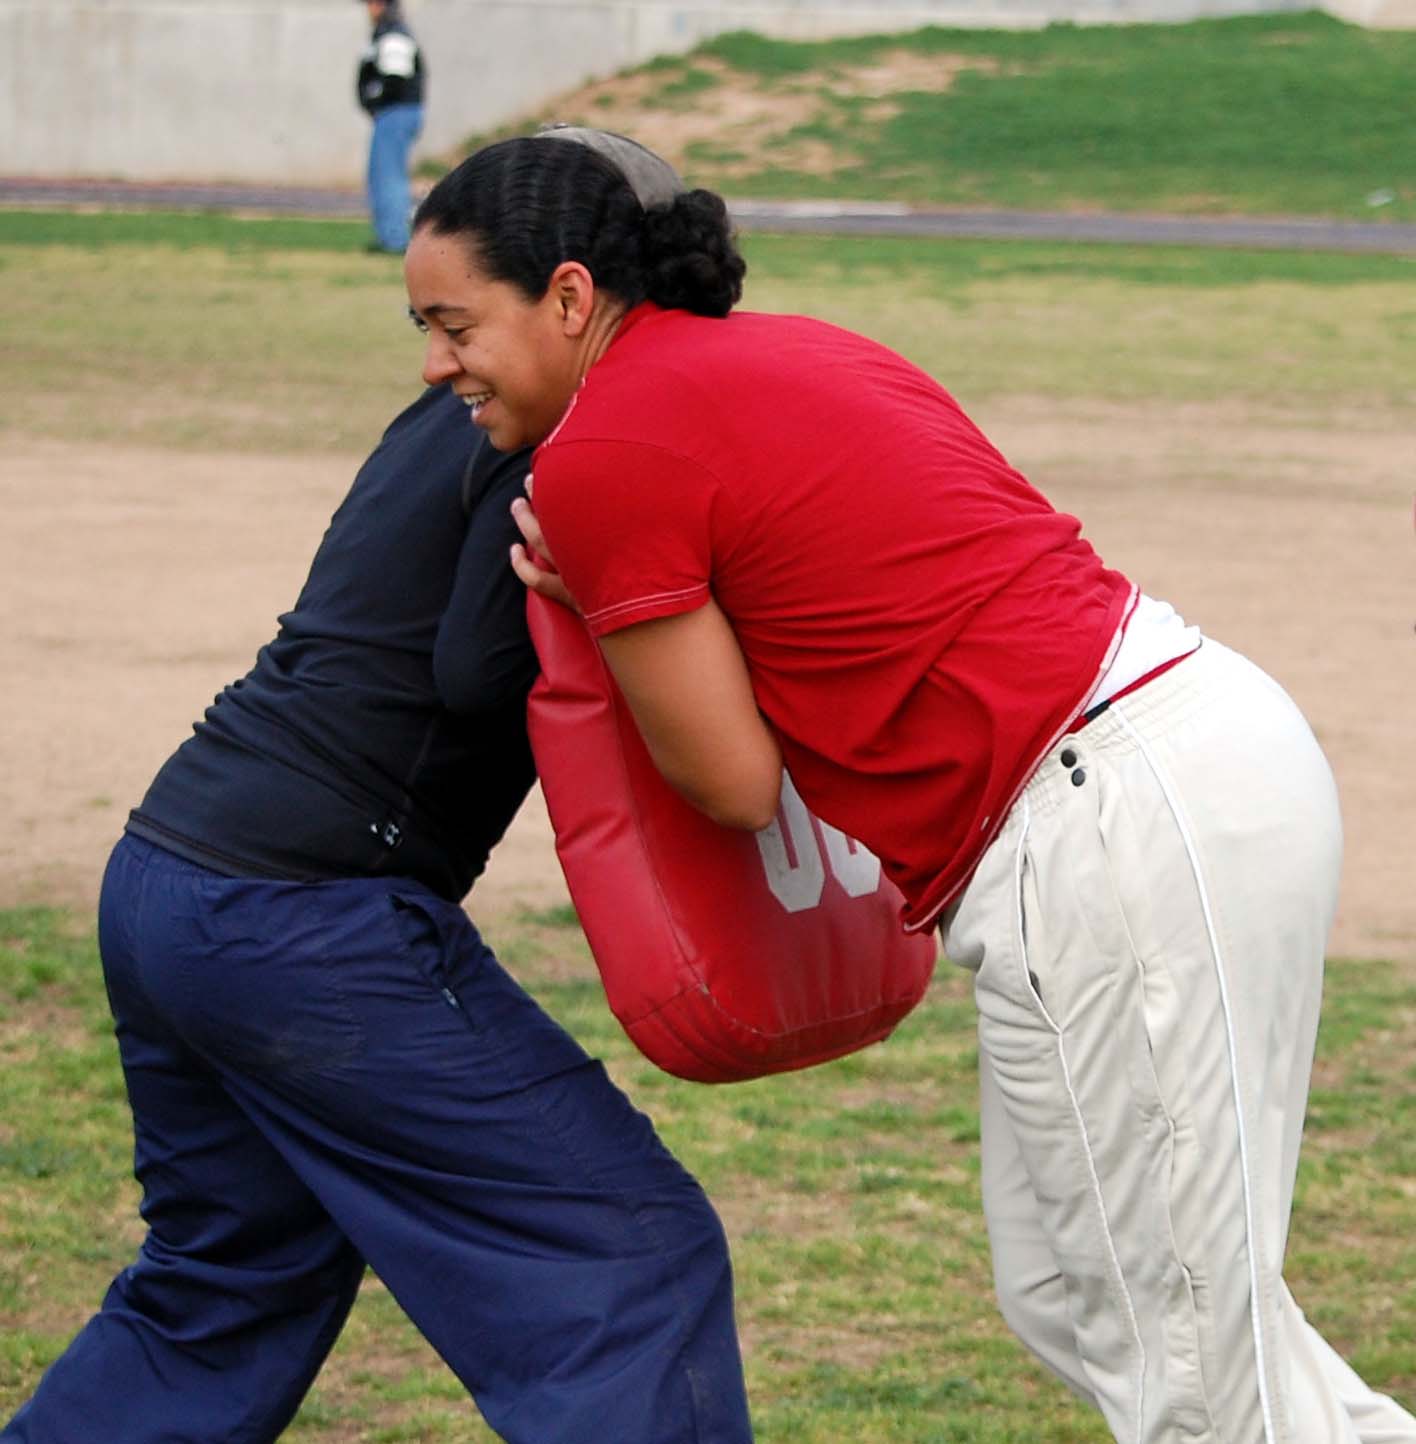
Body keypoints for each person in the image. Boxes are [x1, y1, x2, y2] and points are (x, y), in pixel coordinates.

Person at [401, 127, 1416, 1444]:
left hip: (1114, 814)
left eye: (452, 323)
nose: (436, 366)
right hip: (1187, 755)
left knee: (1177, 1351)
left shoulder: (602, 458)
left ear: (571, 296)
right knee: (1074, 1293)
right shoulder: (801, 345)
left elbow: (733, 783)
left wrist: (604, 595)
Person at [1, 378, 754, 1443]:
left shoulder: (451, 412)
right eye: (439, 331)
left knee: (227, 1281)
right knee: (636, 1259)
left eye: (455, 325)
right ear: (575, 290)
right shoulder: (572, 429)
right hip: (304, 915)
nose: (450, 359)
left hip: (170, 870)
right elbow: (476, 668)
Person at [355, 0, 425, 253]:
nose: (369, 10)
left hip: (396, 112)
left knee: (389, 176)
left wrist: (374, 99)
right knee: (383, 175)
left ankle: (395, 238)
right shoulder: (385, 33)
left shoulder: (393, 34)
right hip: (391, 113)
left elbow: (395, 80)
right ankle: (389, 235)